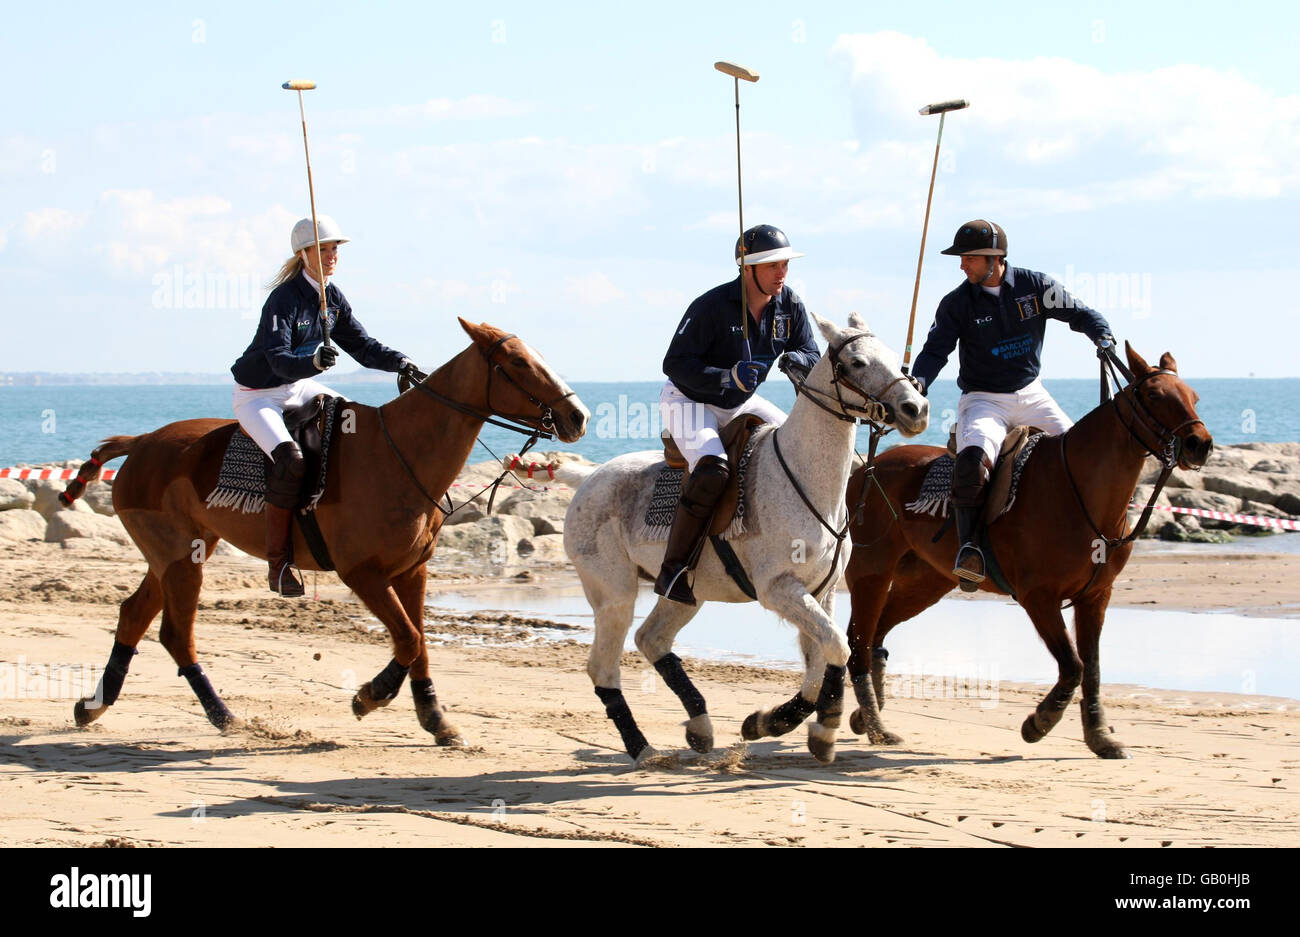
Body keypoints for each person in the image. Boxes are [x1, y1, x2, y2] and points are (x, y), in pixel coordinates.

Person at [909, 219, 1114, 589]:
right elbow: (935, 351)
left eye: (968, 258)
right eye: (962, 259)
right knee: (972, 463)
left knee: (1080, 458)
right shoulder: (957, 303)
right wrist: (918, 382)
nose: (962, 265)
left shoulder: (1036, 287)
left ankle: (1090, 537)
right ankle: (970, 550)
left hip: (1031, 392)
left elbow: (1081, 314)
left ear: (995, 258)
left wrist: (1102, 337)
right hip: (983, 399)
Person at [231, 215, 416, 597]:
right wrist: (312, 363)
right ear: (303, 254)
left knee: (357, 422)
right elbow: (279, 360)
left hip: (297, 386)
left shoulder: (332, 297)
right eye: (323, 249)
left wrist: (401, 361)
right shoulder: (282, 299)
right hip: (258, 394)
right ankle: (279, 563)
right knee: (291, 460)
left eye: (335, 249)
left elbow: (362, 346)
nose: (332, 256)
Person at [654, 224, 821, 604]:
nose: (782, 273)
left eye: (784, 265)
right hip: (689, 400)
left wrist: (798, 359)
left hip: (740, 402)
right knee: (713, 469)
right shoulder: (711, 306)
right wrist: (725, 375)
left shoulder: (789, 305)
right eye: (772, 265)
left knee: (801, 449)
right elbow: (675, 363)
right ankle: (674, 568)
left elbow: (811, 353)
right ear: (747, 269)